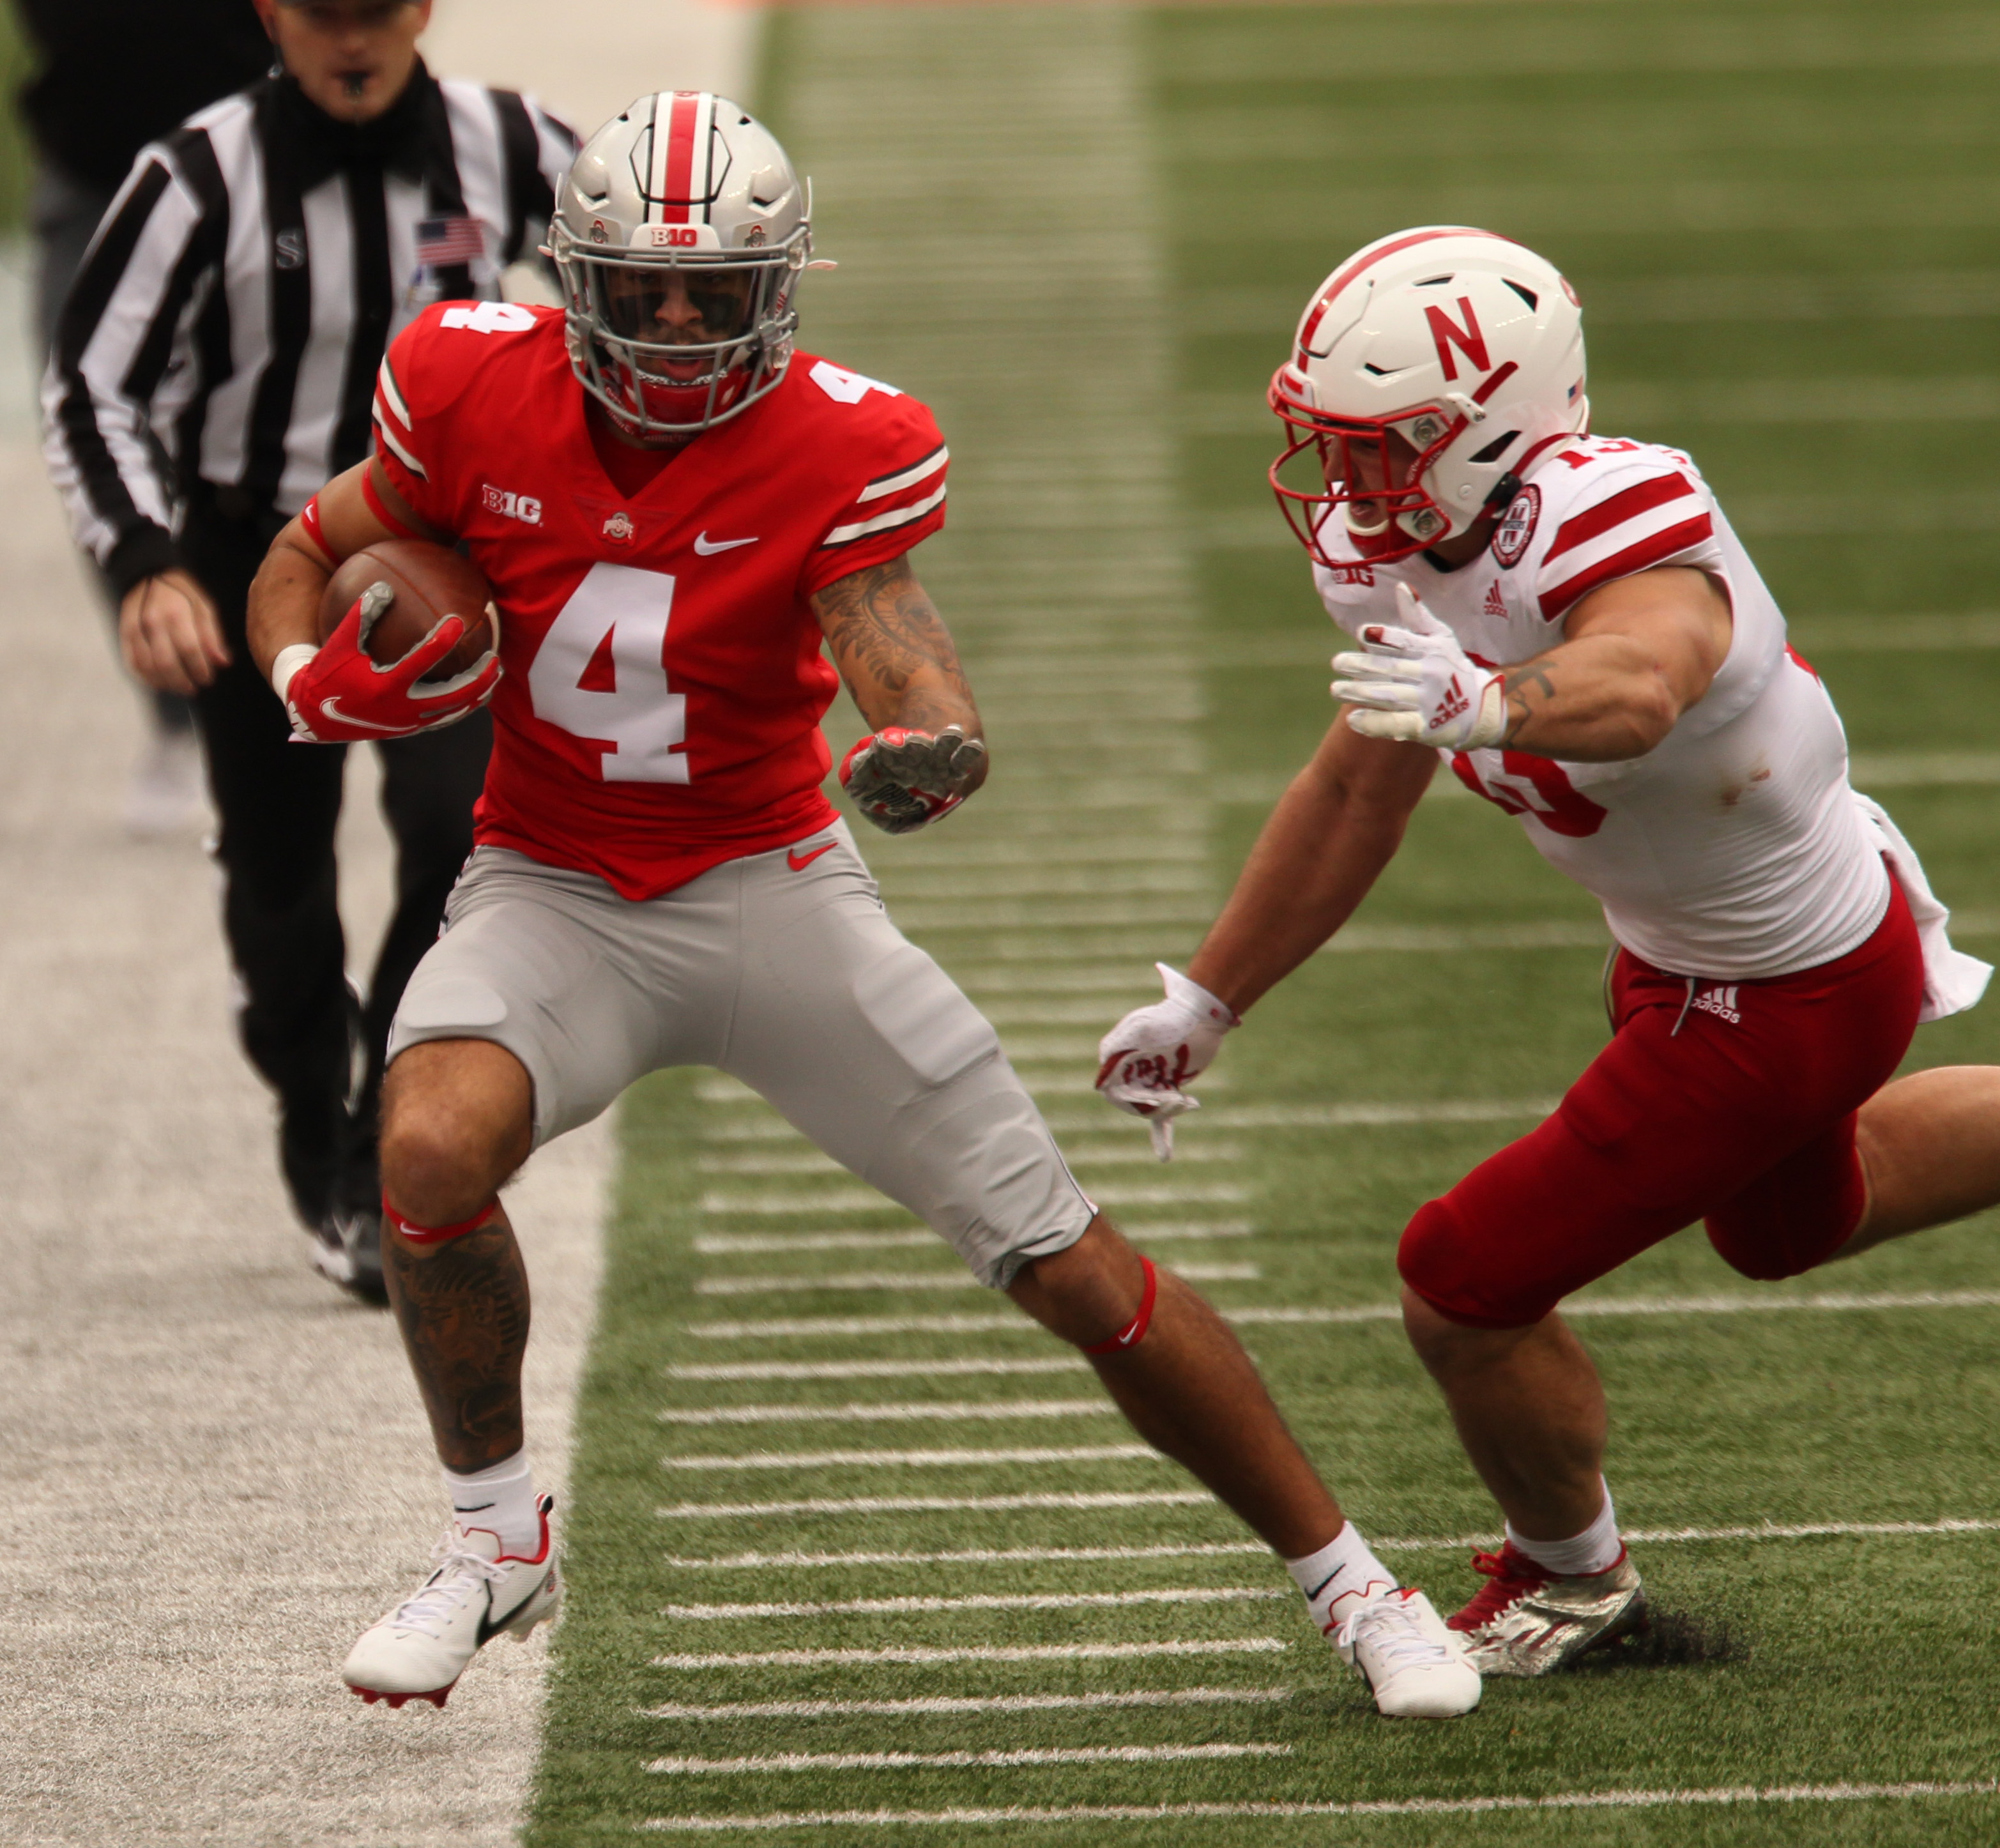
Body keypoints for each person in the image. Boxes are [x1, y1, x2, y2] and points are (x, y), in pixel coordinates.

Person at [244, 95, 1481, 1720]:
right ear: (576, 278)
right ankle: (496, 1538)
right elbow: (307, 546)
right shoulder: (467, 381)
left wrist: (925, 734)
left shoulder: (847, 436)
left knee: (1069, 1263)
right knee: (422, 1146)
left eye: (716, 290)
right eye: (644, 288)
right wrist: (303, 675)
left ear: (782, 284)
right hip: (550, 883)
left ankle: (1359, 1586)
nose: (680, 324)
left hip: (770, 892)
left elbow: (889, 626)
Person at [1097, 224, 2000, 1680]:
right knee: (1786, 1229)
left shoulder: (1618, 507)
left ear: (1499, 424)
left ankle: (1574, 1586)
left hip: (1785, 988)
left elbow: (1640, 682)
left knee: (1463, 1282)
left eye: (1387, 447)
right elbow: (1352, 787)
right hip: (1695, 947)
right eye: (1331, 444)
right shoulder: (1392, 547)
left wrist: (1492, 700)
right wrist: (1212, 997)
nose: (1348, 484)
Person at [42, 0, 577, 1299]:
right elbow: (90, 385)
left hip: (435, 558)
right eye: (325, 11)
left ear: (423, 11)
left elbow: (635, 298)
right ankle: (301, 1072)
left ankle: (378, 1151)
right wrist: (142, 561)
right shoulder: (194, 173)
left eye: (378, 10)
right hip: (246, 560)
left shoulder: (507, 145)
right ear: (272, 14)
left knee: (458, 836)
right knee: (281, 898)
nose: (353, 39)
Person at [15, 0, 271, 835]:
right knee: (93, 428)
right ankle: (179, 714)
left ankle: (296, 684)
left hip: (256, 175)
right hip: (93, 170)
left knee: (255, 438)